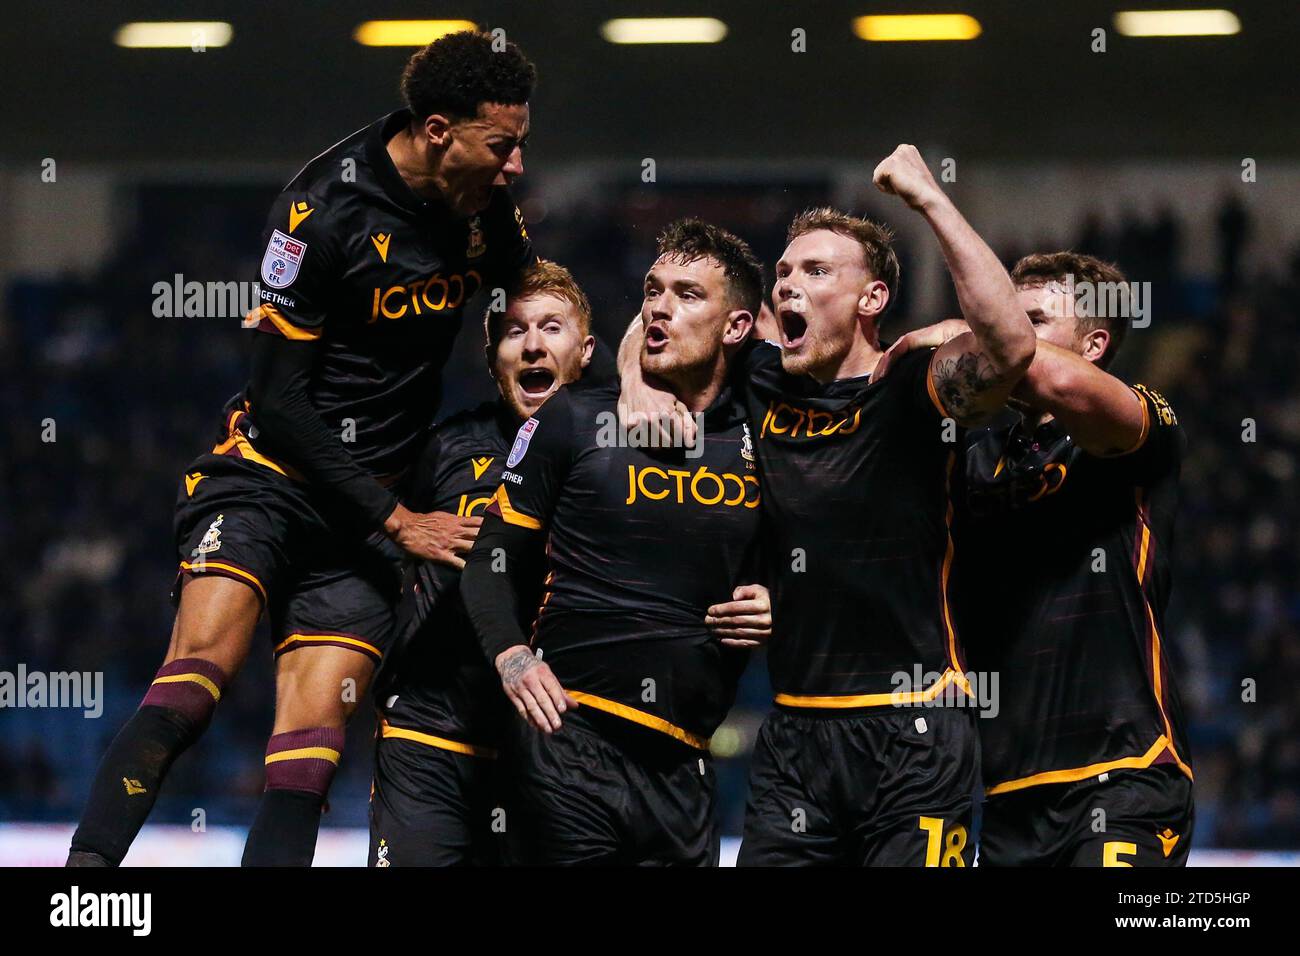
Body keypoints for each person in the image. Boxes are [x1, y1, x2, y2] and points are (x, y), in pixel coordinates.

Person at [68, 30, 539, 867]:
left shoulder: (486, 217)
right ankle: (86, 887)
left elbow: (541, 311)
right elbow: (281, 403)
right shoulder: (322, 208)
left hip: (365, 519)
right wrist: (399, 522)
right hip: (269, 478)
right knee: (195, 681)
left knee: (307, 758)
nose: (515, 169)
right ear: (439, 132)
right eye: (502, 147)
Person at [619, 144, 1036, 865]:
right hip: (796, 735)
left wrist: (930, 201)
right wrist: (636, 386)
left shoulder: (915, 387)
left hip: (916, 729)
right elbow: (661, 320)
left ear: (871, 299)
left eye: (815, 271)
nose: (788, 286)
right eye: (782, 273)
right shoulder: (762, 379)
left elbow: (1009, 347)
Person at [462, 220, 772, 865]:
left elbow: (827, 553)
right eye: (652, 290)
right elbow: (491, 562)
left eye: (688, 295)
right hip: (567, 742)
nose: (660, 306)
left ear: (738, 327)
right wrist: (513, 656)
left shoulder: (765, 438)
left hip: (685, 764)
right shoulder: (573, 418)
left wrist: (783, 602)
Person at [882, 251, 1194, 866]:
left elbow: (1056, 379)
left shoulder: (1134, 428)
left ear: (1096, 341)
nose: (1002, 335)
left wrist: (960, 334)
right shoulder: (970, 459)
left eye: (1030, 323)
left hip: (1126, 775)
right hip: (1004, 800)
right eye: (1004, 320)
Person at [368, 260, 601, 866]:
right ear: (493, 354)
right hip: (428, 737)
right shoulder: (444, 447)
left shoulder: (617, 458)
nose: (531, 346)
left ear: (587, 350)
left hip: (549, 751)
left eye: (551, 328)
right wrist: (402, 535)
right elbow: (367, 546)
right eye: (514, 331)